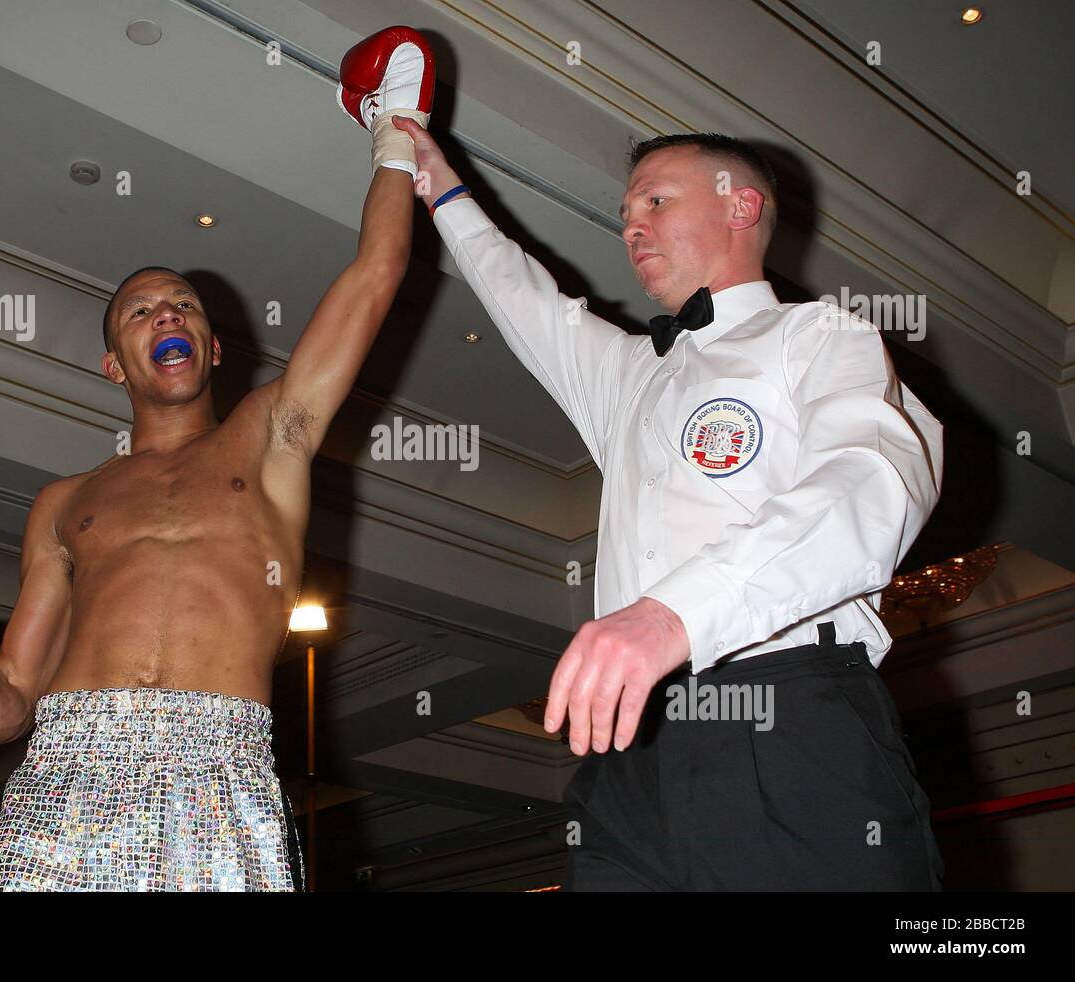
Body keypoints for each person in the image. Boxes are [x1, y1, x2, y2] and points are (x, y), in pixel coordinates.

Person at [0, 26, 435, 892]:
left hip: (221, 774)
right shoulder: (63, 503)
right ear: (114, 363)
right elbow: (16, 683)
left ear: (214, 347)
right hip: (67, 777)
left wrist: (395, 131)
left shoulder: (274, 433)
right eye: (142, 312)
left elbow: (376, 273)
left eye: (185, 306)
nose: (168, 317)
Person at [396, 118, 946, 890]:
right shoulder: (628, 374)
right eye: (625, 213)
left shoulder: (819, 336)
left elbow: (870, 486)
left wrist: (673, 615)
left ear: (741, 207)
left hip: (786, 717)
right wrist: (438, 182)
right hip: (628, 756)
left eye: (654, 200)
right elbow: (522, 298)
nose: (630, 226)